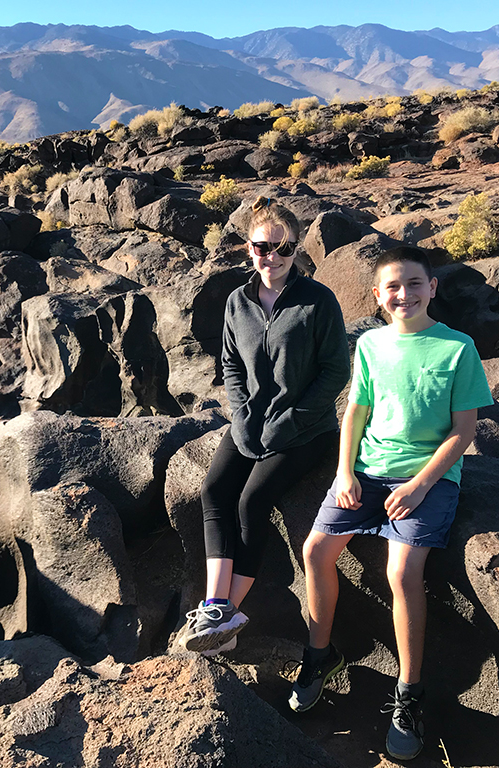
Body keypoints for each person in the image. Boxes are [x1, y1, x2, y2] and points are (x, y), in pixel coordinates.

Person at [289, 245, 493, 761]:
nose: (405, 294)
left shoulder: (457, 348)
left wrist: (421, 485)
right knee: (316, 551)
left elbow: (463, 431)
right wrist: (344, 472)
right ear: (378, 296)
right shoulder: (371, 346)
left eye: (415, 284)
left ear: (432, 288)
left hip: (428, 480)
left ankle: (409, 692)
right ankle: (320, 656)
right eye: (393, 287)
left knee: (402, 573)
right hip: (367, 472)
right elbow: (356, 411)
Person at [178, 197, 350, 656]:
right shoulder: (238, 301)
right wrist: (241, 416)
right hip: (250, 421)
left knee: (253, 500)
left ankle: (228, 615)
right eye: (261, 247)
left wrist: (291, 420)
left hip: (308, 430)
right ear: (248, 248)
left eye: (282, 248)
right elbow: (231, 364)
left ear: (296, 250)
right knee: (214, 490)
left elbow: (336, 372)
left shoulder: (318, 301)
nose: (270, 257)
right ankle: (215, 604)